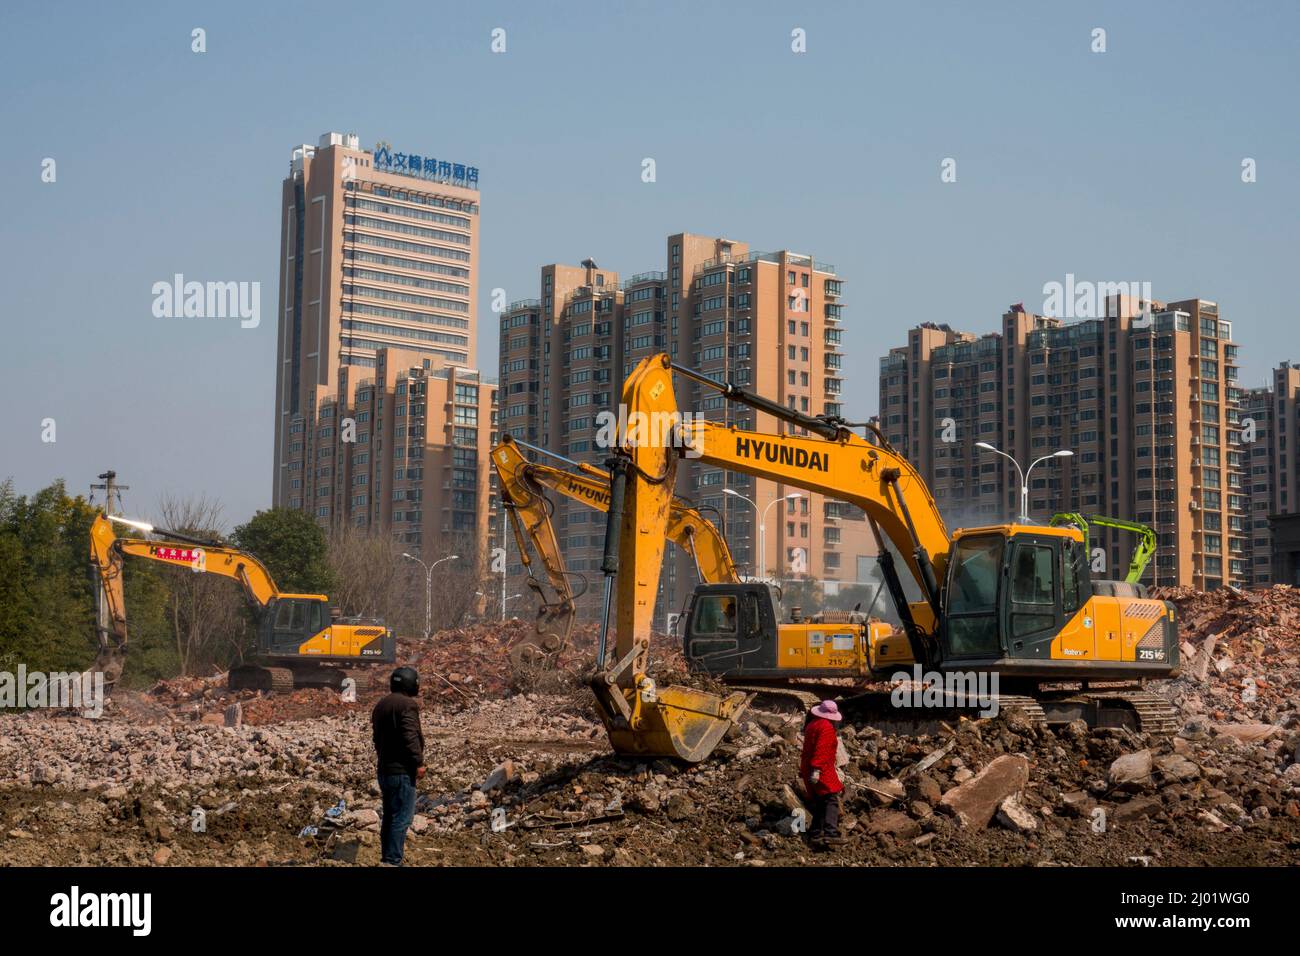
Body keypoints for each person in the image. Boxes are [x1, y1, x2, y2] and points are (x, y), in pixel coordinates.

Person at [371, 666, 425, 865]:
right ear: (411, 683)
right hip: (402, 771)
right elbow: (409, 735)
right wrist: (418, 762)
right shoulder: (407, 705)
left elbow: (376, 738)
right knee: (402, 818)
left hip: (385, 769)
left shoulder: (381, 704)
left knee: (390, 816)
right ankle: (393, 861)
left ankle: (387, 857)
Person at [800, 699, 845, 849]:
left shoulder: (812, 725)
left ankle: (816, 832)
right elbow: (822, 750)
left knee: (820, 800)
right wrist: (817, 769)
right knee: (831, 799)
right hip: (821, 769)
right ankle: (830, 833)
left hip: (809, 767)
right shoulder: (826, 728)